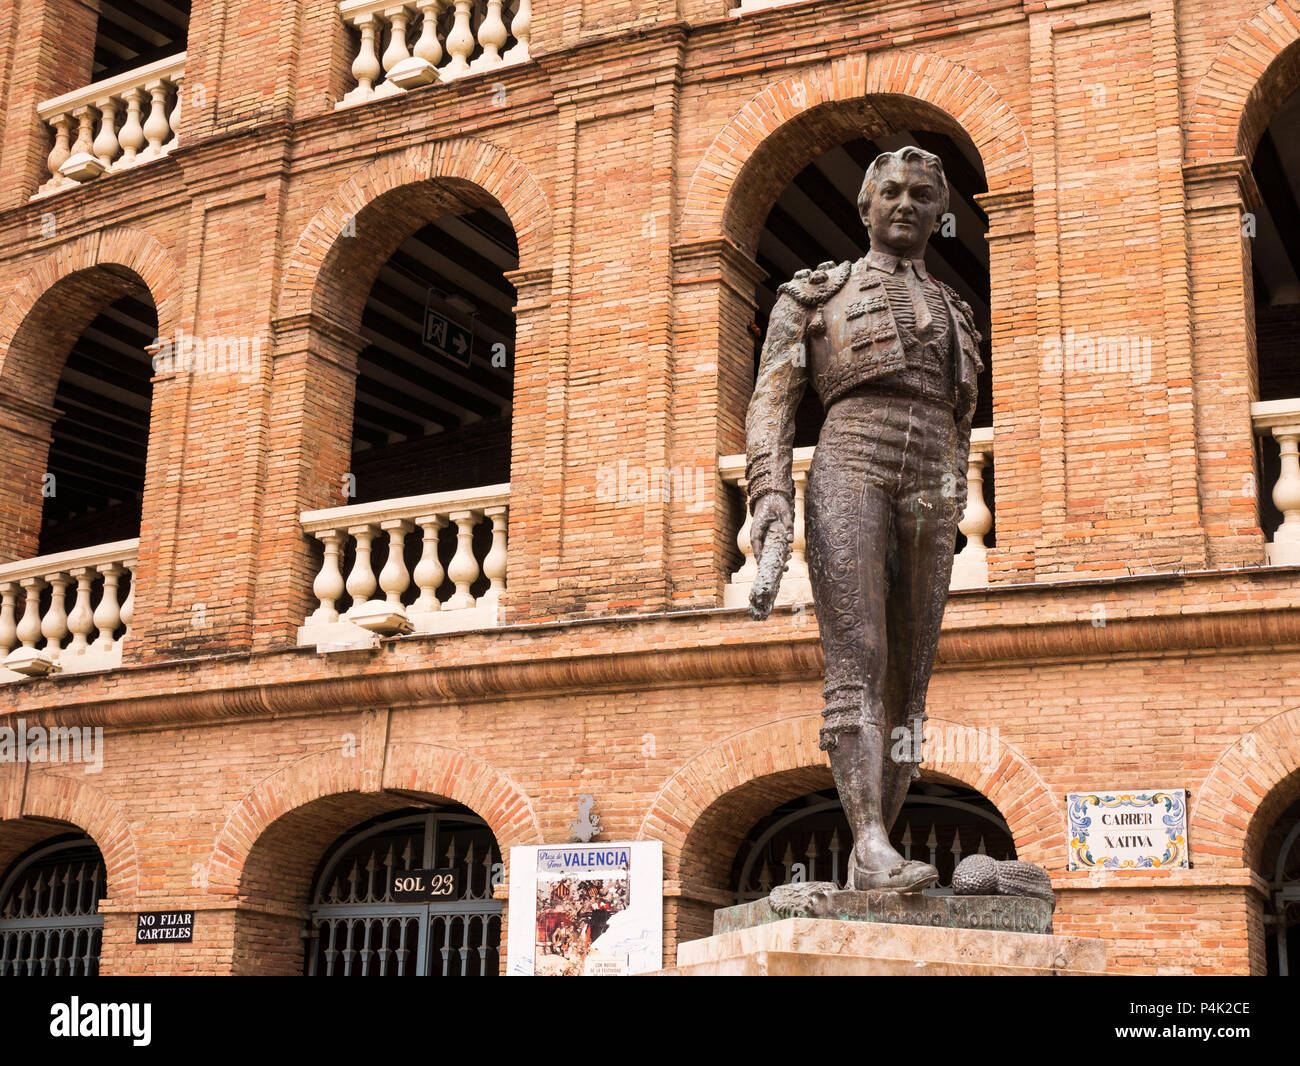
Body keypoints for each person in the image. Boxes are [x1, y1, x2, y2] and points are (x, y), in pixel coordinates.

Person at [745, 146, 983, 892]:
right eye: (891, 192)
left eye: (921, 194)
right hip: (853, 456)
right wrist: (771, 497)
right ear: (866, 206)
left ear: (939, 212)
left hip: (937, 468)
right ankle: (873, 839)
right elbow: (771, 402)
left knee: (912, 676)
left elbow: (964, 415)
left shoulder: (957, 309)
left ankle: (871, 850)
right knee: (862, 656)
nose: (906, 204)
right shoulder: (816, 295)